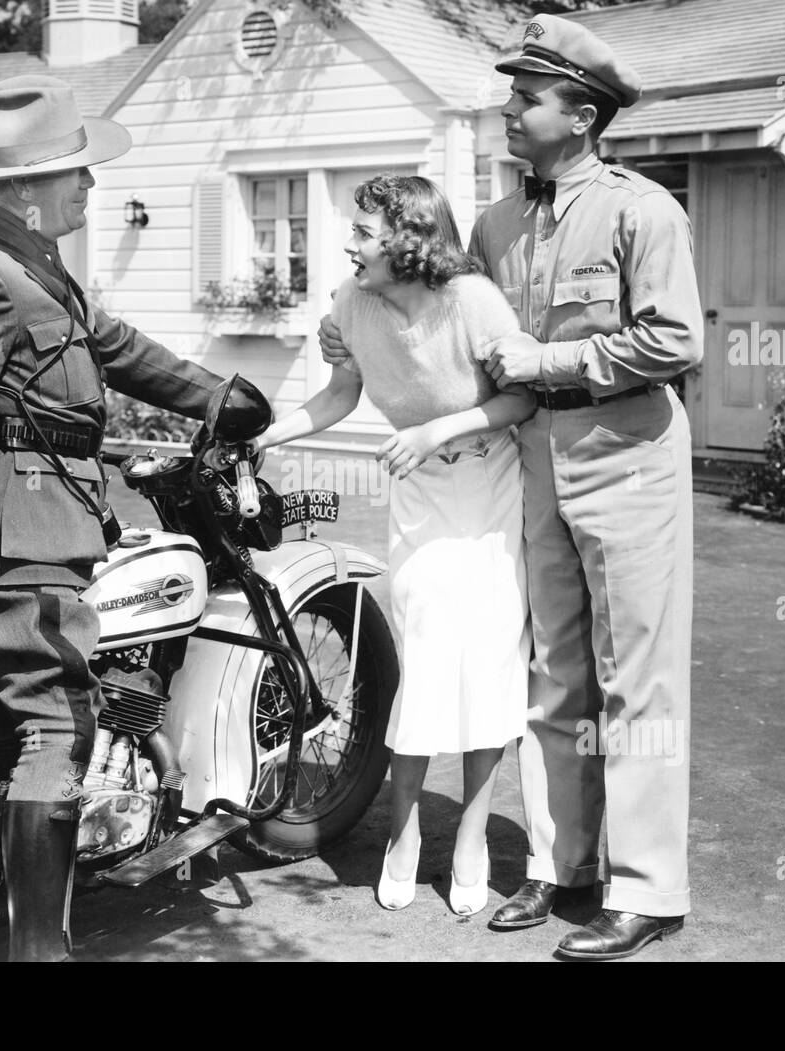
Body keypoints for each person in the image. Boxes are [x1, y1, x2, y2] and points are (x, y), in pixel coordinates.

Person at [322, 15, 703, 959]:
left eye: (527, 97)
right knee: (553, 674)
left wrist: (553, 355)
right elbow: (448, 318)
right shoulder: (496, 224)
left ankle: (648, 887)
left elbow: (674, 339)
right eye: (512, 93)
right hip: (534, 464)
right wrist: (356, 334)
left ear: (581, 115)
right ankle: (560, 865)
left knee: (638, 683)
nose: (509, 108)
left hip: (629, 456)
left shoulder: (641, 211)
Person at [0, 75, 232, 961]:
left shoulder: (42, 274)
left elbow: (115, 349)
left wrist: (220, 399)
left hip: (52, 536)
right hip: (11, 551)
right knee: (57, 728)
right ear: (33, 183)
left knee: (17, 737)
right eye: (76, 172)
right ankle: (42, 952)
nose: (90, 187)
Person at [255, 175, 535, 916]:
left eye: (364, 231)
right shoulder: (351, 305)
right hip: (421, 498)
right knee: (428, 659)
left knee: (489, 661)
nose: (349, 243)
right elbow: (339, 396)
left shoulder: (472, 301)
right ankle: (403, 833)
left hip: (490, 485)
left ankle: (471, 833)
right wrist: (265, 433)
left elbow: (523, 397)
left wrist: (438, 429)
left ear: (408, 241)